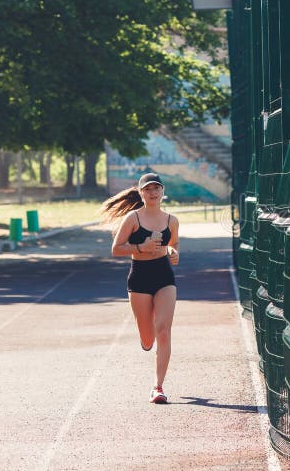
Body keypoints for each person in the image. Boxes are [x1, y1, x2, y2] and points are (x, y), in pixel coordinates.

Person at [100, 172, 180, 404]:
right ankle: (147, 338)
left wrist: (174, 253)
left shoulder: (171, 220)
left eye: (157, 188)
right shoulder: (133, 219)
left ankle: (158, 387)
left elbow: (173, 244)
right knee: (148, 337)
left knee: (163, 331)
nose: (153, 192)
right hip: (140, 278)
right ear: (141, 193)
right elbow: (116, 249)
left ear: (163, 192)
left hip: (164, 276)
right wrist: (141, 246)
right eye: (148, 189)